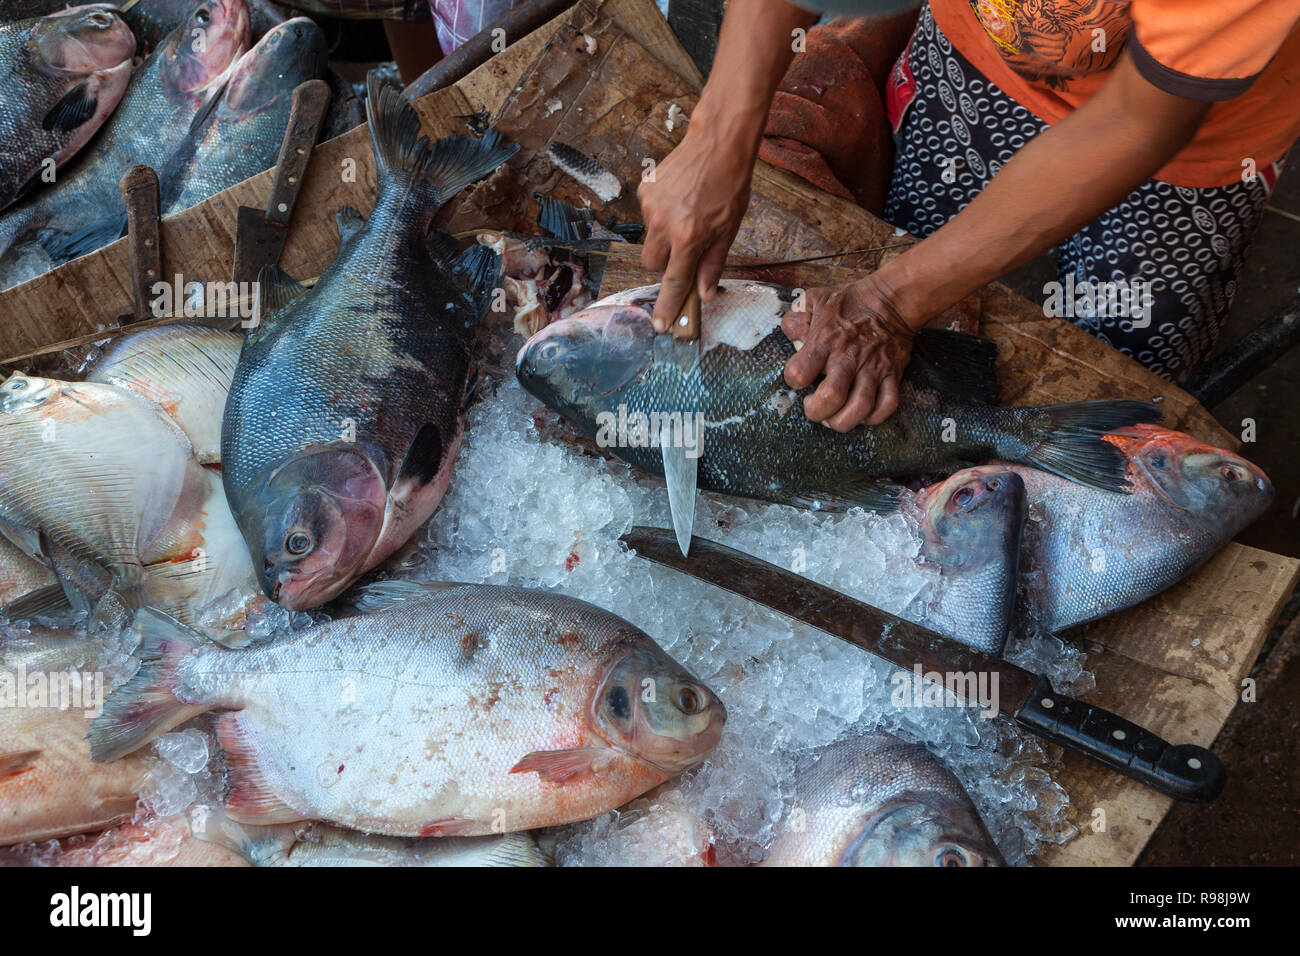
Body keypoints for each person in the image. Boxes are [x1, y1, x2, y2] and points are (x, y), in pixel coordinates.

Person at [637, 0, 1300, 430]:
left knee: (1126, 385)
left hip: (1190, 147)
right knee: (917, 257)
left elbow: (1138, 121)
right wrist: (719, 135)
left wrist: (890, 304)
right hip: (973, 58)